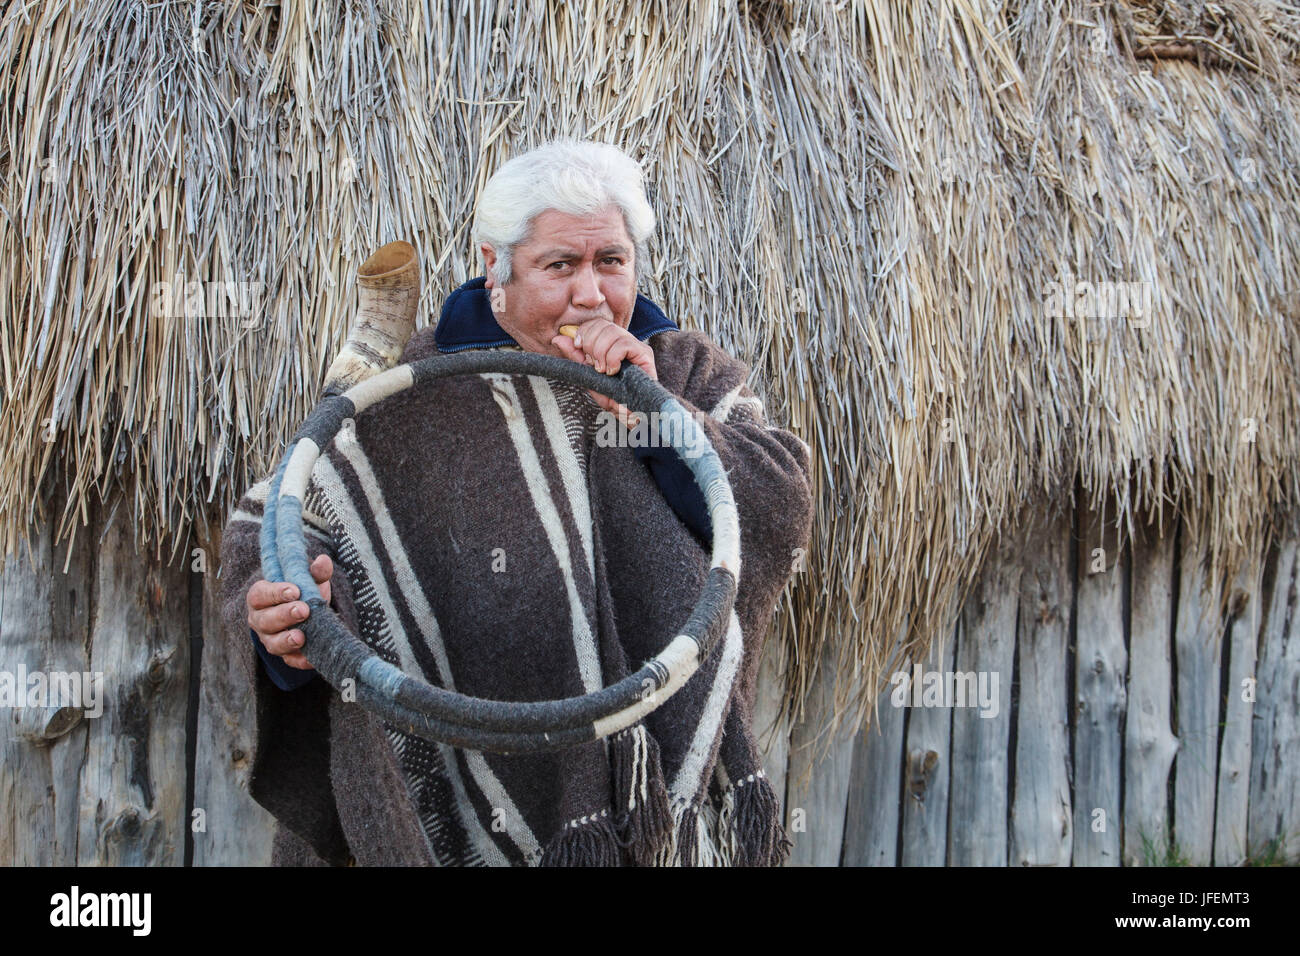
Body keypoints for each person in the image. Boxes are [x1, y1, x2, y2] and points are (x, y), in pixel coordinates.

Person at [219, 138, 814, 865]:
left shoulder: (681, 368)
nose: (592, 294)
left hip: (651, 818)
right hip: (458, 814)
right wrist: (285, 619)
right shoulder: (410, 399)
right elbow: (273, 529)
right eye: (559, 265)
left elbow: (778, 507)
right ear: (493, 265)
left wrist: (657, 416)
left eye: (611, 262)